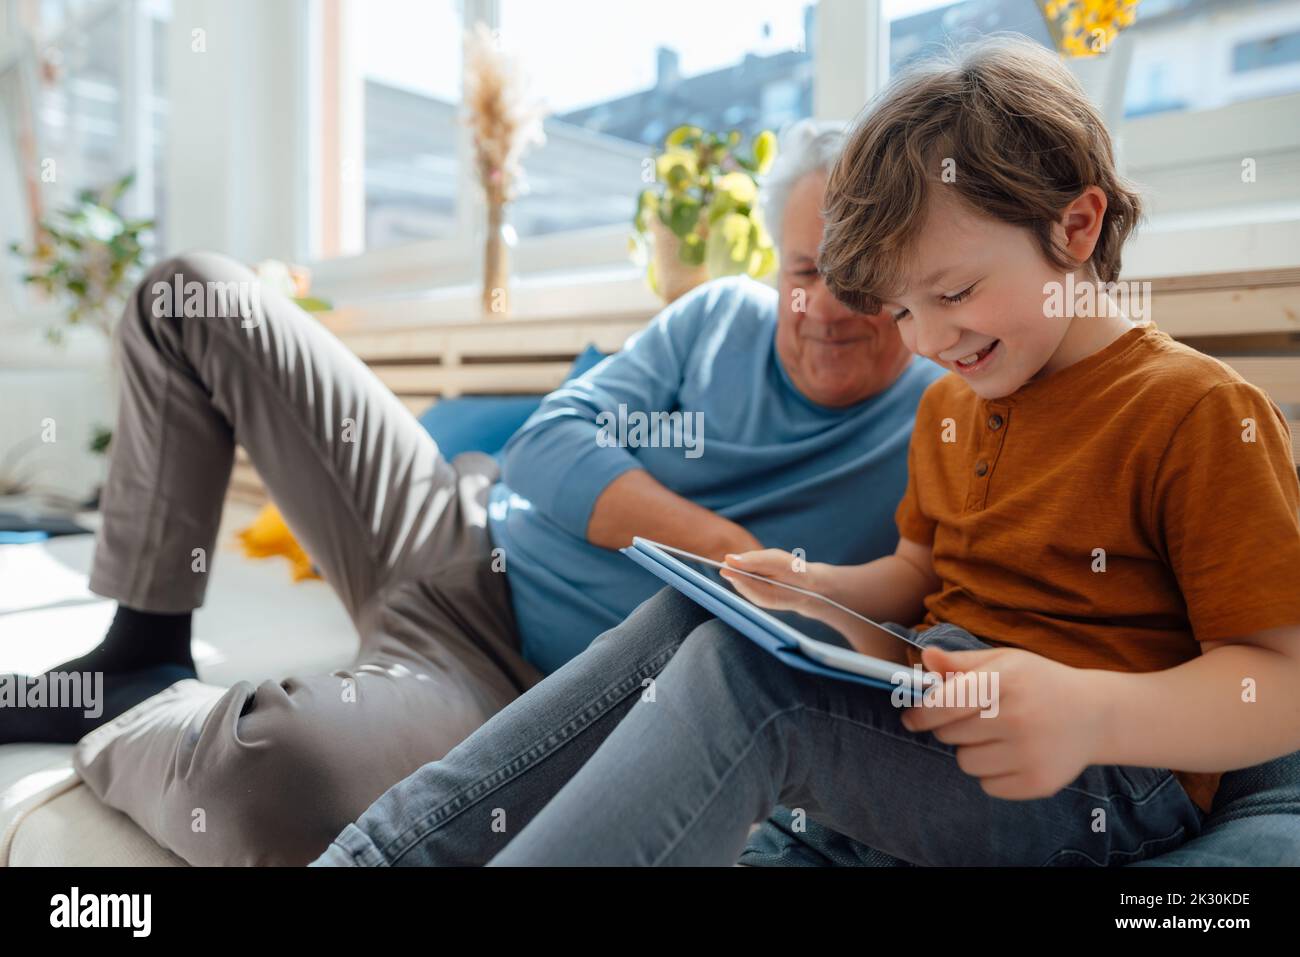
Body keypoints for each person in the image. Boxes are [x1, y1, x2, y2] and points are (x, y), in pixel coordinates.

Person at [312, 36, 1300, 868]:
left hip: (1101, 776)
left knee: (752, 691)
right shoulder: (954, 406)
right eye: (904, 310)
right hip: (936, 698)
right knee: (702, 610)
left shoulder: (1196, 411)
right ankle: (377, 857)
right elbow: (919, 575)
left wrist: (1093, 714)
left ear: (1074, 224)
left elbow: (1278, 686)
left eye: (951, 294)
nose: (924, 340)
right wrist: (812, 586)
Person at [0, 122, 943, 866]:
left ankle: (140, 708)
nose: (818, 307)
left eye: (854, 280)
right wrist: (727, 550)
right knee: (193, 294)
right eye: (802, 270)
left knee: (279, 785)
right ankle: (143, 642)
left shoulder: (937, 426)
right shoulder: (714, 317)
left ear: (905, 283)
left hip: (498, 681)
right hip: (451, 526)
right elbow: (549, 445)